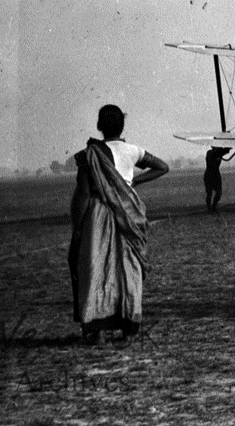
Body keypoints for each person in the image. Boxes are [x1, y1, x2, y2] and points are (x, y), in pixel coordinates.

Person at [68, 104, 169, 344]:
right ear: (122, 125)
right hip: (129, 213)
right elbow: (162, 167)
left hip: (98, 216)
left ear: (99, 126)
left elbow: (83, 194)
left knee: (96, 268)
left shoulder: (89, 155)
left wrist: (78, 227)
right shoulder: (133, 151)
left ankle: (98, 330)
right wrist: (132, 183)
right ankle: (128, 329)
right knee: (128, 269)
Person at [204, 147, 235, 212]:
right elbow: (224, 150)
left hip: (215, 174)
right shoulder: (210, 152)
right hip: (210, 174)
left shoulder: (217, 152)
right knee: (209, 193)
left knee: (218, 193)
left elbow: (225, 150)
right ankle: (209, 208)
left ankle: (213, 207)